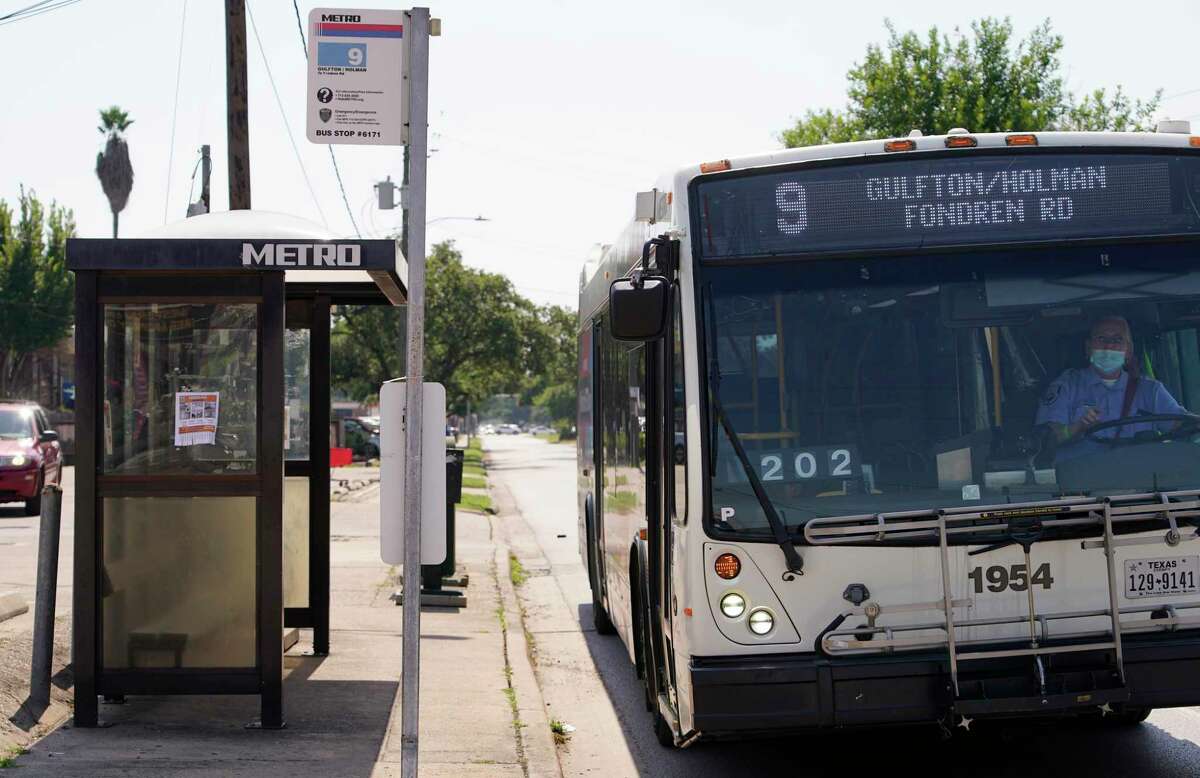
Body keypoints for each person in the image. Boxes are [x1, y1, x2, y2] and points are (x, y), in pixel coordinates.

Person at [1036, 316, 1188, 461]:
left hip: (1143, 482)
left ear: (1128, 350)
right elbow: (1045, 440)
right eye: (1101, 339)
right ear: (1088, 347)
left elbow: (1183, 426)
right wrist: (1078, 427)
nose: (1109, 346)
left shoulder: (1150, 390)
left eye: (1118, 339)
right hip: (1079, 483)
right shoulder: (1066, 386)